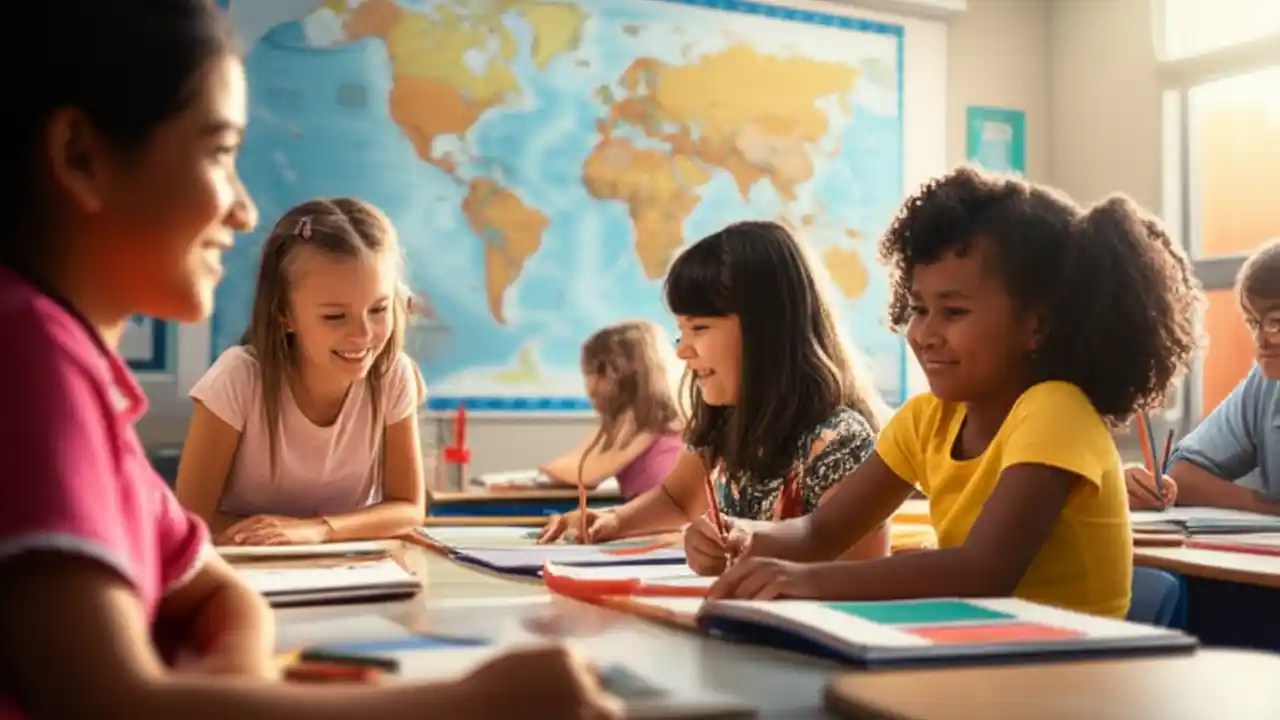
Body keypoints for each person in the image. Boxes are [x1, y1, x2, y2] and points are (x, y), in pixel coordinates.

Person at [0, 2, 619, 717]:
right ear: (80, 157)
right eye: (219, 153)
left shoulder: (77, 374)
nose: (241, 207)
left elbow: (212, 589)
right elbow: (111, 703)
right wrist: (469, 706)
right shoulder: (26, 355)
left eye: (378, 310)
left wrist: (232, 684)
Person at [705, 167, 1202, 619]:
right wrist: (746, 536)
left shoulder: (1056, 409)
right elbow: (822, 532)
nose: (924, 334)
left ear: (1037, 325)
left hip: (1065, 680)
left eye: (954, 312)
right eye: (918, 309)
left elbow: (984, 572)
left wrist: (802, 580)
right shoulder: (928, 420)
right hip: (978, 659)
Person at [539, 221, 892, 567]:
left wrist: (748, 550)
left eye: (700, 328)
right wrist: (616, 520)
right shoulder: (726, 420)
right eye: (682, 330)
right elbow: (676, 499)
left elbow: (861, 572)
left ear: (766, 331)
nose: (682, 351)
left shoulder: (837, 440)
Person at [176, 198, 428, 545]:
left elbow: (409, 508)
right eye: (334, 317)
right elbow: (192, 519)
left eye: (378, 309)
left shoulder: (392, 375)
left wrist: (316, 530)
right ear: (285, 314)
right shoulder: (237, 379)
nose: (363, 335)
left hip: (352, 571)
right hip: (248, 570)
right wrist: (277, 536)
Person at [1127, 238, 1280, 515]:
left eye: (1276, 321)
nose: (1261, 340)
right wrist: (1268, 507)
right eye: (1253, 322)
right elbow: (1182, 476)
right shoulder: (1265, 386)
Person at [538, 321, 684, 501]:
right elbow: (577, 461)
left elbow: (585, 474)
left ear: (616, 373)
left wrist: (546, 469)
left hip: (665, 521)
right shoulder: (637, 418)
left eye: (592, 374)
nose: (590, 386)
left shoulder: (642, 422)